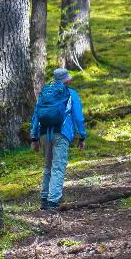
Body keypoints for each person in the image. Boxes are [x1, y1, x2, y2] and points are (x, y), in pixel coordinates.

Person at [31, 67, 87, 211]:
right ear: (66, 80)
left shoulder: (44, 92)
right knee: (58, 168)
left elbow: (36, 115)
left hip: (44, 134)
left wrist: (34, 137)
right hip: (62, 134)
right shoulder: (70, 93)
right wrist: (82, 136)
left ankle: (44, 199)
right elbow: (78, 117)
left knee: (48, 167)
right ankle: (53, 202)